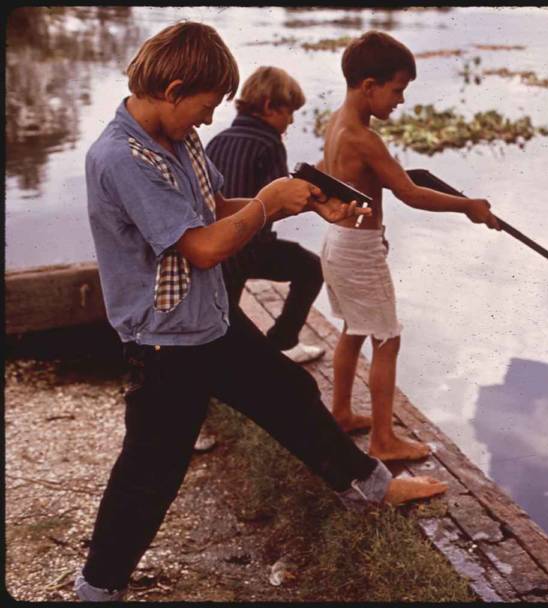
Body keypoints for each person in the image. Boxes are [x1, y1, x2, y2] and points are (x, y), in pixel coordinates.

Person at [74, 21, 447, 602]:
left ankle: (373, 486)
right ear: (173, 90)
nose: (209, 117)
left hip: (211, 322)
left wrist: (301, 206)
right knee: (149, 474)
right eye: (205, 105)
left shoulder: (180, 137)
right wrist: (270, 199)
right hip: (166, 343)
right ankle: (96, 589)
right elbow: (200, 247)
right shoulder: (121, 158)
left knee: (288, 392)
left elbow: (217, 207)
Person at [318, 31, 501, 461]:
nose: (400, 101)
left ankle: (341, 413)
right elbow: (409, 193)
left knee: (353, 328)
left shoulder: (336, 124)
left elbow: (334, 181)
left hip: (338, 243)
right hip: (359, 250)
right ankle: (384, 440)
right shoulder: (364, 138)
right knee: (387, 339)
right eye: (397, 90)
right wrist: (467, 206)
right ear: (369, 86)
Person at [206, 66, 325, 363]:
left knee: (226, 312)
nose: (291, 120)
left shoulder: (218, 140)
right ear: (270, 106)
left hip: (212, 244)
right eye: (289, 112)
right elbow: (277, 206)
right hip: (248, 246)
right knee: (311, 268)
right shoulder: (270, 143)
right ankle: (283, 342)